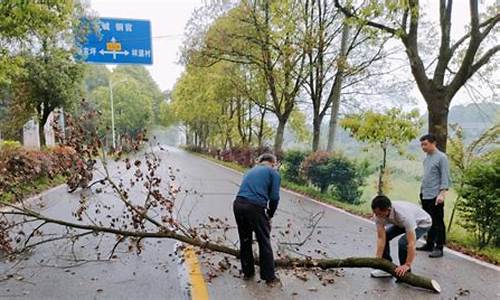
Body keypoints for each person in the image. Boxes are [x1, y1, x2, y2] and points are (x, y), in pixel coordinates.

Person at [233, 153, 281, 287]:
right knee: (263, 240)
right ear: (273, 163)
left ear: (260, 162)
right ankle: (269, 277)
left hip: (238, 204)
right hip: (255, 206)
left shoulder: (249, 171)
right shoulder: (273, 173)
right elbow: (274, 197)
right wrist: (270, 215)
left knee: (245, 239)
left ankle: (248, 272)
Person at [370, 195, 432, 279]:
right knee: (386, 235)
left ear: (388, 210)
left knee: (403, 242)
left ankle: (405, 272)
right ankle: (385, 268)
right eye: (375, 213)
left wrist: (407, 264)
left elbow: (411, 243)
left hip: (422, 223)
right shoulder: (378, 215)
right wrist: (378, 258)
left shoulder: (404, 215)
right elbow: (381, 238)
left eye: (379, 214)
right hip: (401, 223)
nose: (377, 216)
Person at [417, 134, 451, 258]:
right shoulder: (427, 158)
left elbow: (445, 176)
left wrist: (442, 194)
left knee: (437, 222)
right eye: (421, 144)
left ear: (433, 143)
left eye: (425, 144)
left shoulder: (442, 158)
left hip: (436, 195)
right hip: (425, 194)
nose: (423, 147)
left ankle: (439, 247)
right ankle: (429, 244)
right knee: (428, 221)